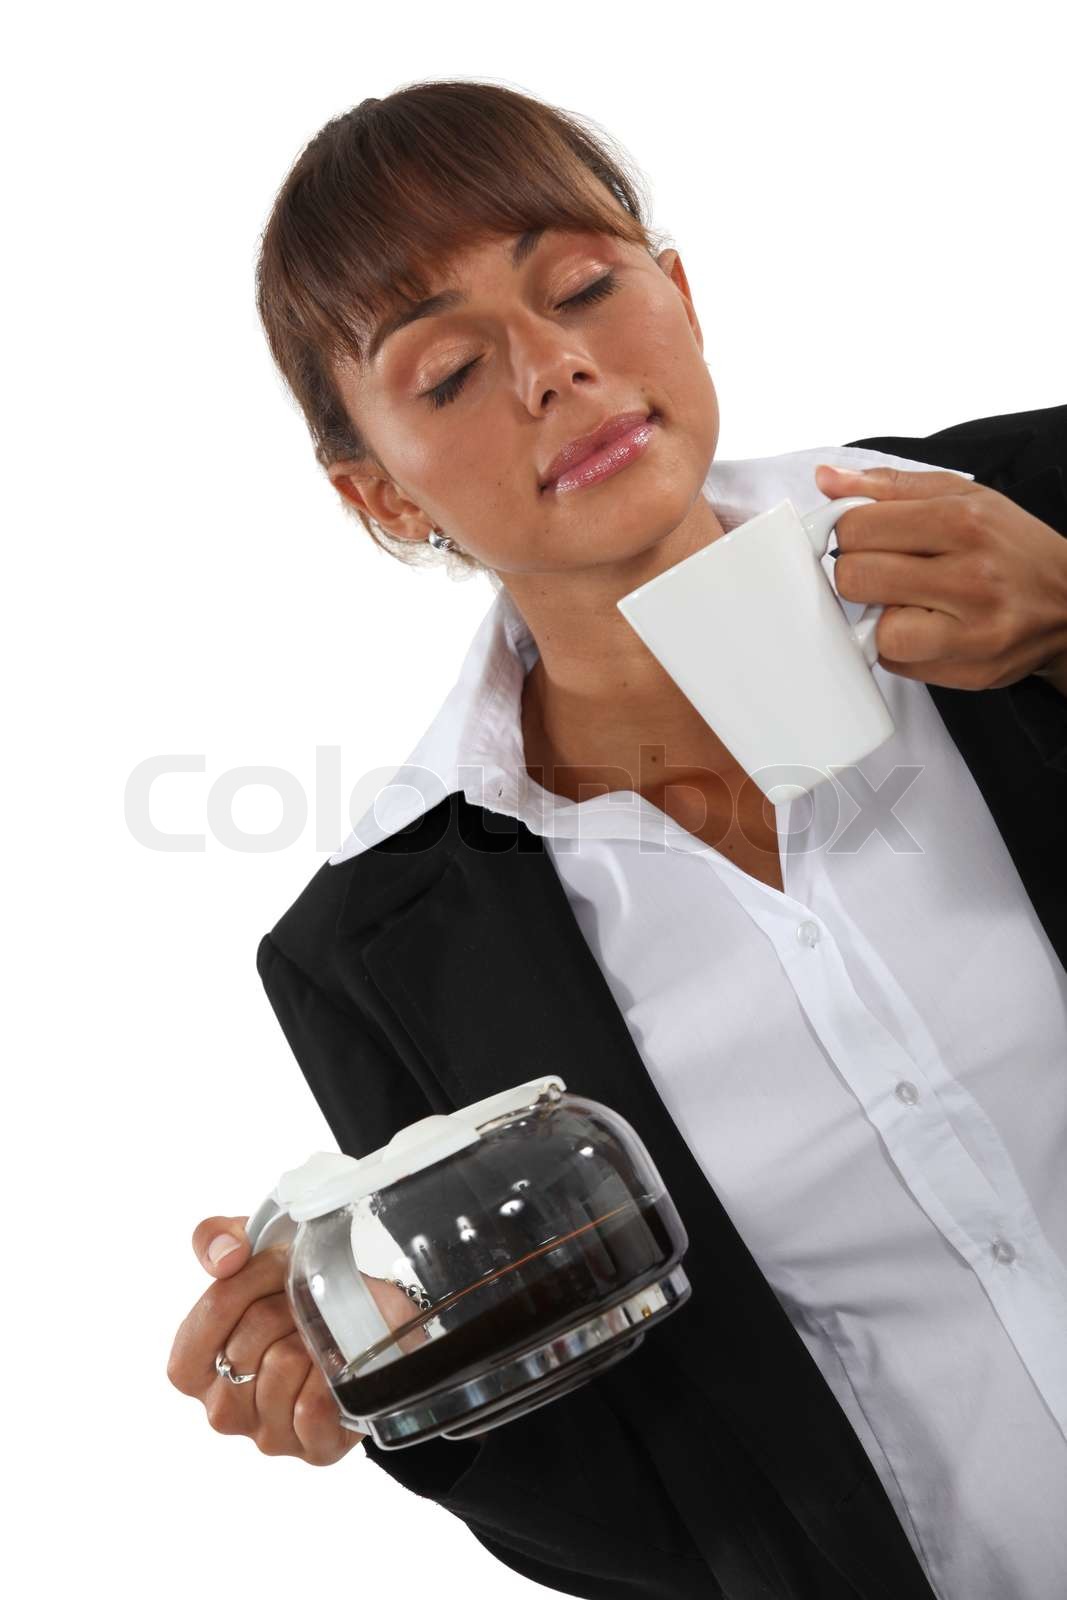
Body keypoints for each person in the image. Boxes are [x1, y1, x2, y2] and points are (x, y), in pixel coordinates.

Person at [166, 80, 1067, 1600]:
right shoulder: (384, 950)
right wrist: (398, 1386)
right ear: (378, 493)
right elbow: (652, 1489)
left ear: (681, 294)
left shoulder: (1039, 516)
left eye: (583, 284)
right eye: (449, 372)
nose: (553, 366)